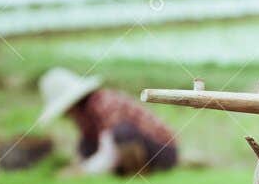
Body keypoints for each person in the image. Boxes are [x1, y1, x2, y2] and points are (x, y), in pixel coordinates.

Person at [34, 67, 178, 176]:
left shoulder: (103, 103)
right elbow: (88, 147)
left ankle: (139, 174)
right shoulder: (85, 115)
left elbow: (109, 147)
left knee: (122, 132)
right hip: (130, 146)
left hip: (162, 151)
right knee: (86, 142)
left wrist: (82, 172)